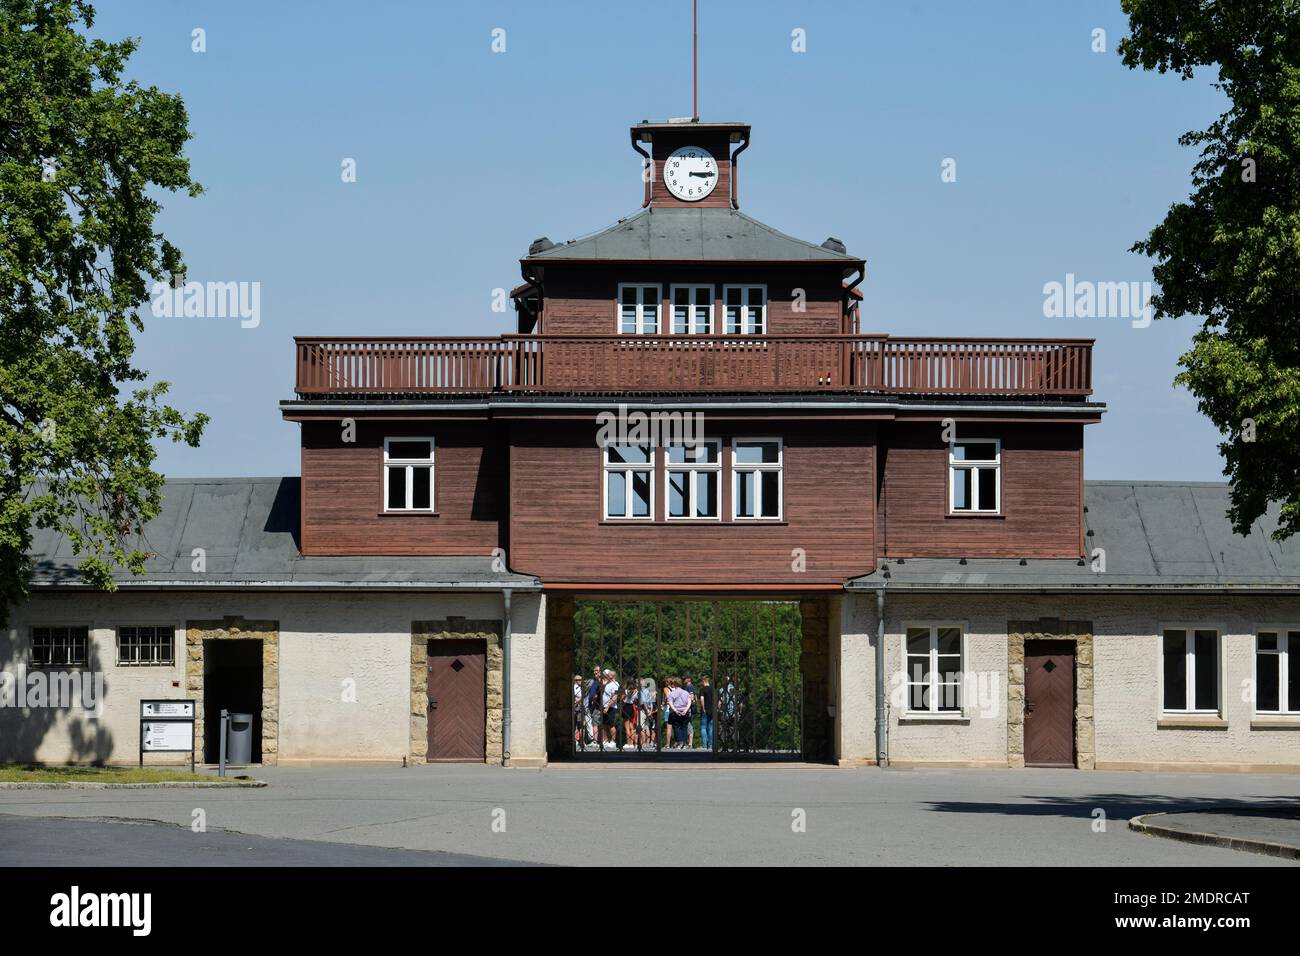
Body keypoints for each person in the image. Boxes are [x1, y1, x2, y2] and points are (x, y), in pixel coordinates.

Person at [600, 669, 620, 749]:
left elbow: (615, 697)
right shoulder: (608, 683)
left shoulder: (615, 684)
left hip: (611, 707)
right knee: (604, 724)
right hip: (604, 706)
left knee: (611, 725)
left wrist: (608, 707)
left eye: (609, 675)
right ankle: (605, 740)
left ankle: (613, 742)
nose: (607, 675)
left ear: (613, 676)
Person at [585, 666, 602, 748]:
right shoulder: (594, 681)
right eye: (594, 670)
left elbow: (600, 691)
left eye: (597, 671)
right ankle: (593, 739)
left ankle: (595, 741)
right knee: (592, 723)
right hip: (591, 705)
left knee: (595, 723)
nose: (595, 672)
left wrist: (595, 698)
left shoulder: (600, 681)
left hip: (597, 705)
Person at [697, 675, 714, 751]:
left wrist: (703, 708)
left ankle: (704, 745)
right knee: (711, 728)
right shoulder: (713, 689)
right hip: (712, 711)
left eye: (701, 682)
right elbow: (718, 700)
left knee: (703, 727)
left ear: (703, 681)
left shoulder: (702, 690)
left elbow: (701, 699)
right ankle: (710, 746)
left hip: (705, 710)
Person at [683, 675, 696, 748]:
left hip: (689, 708)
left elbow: (692, 697)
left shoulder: (689, 687)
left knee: (688, 724)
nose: (683, 679)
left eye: (685, 678)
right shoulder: (689, 687)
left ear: (689, 679)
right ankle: (688, 743)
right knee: (687, 724)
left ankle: (690, 743)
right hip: (689, 708)